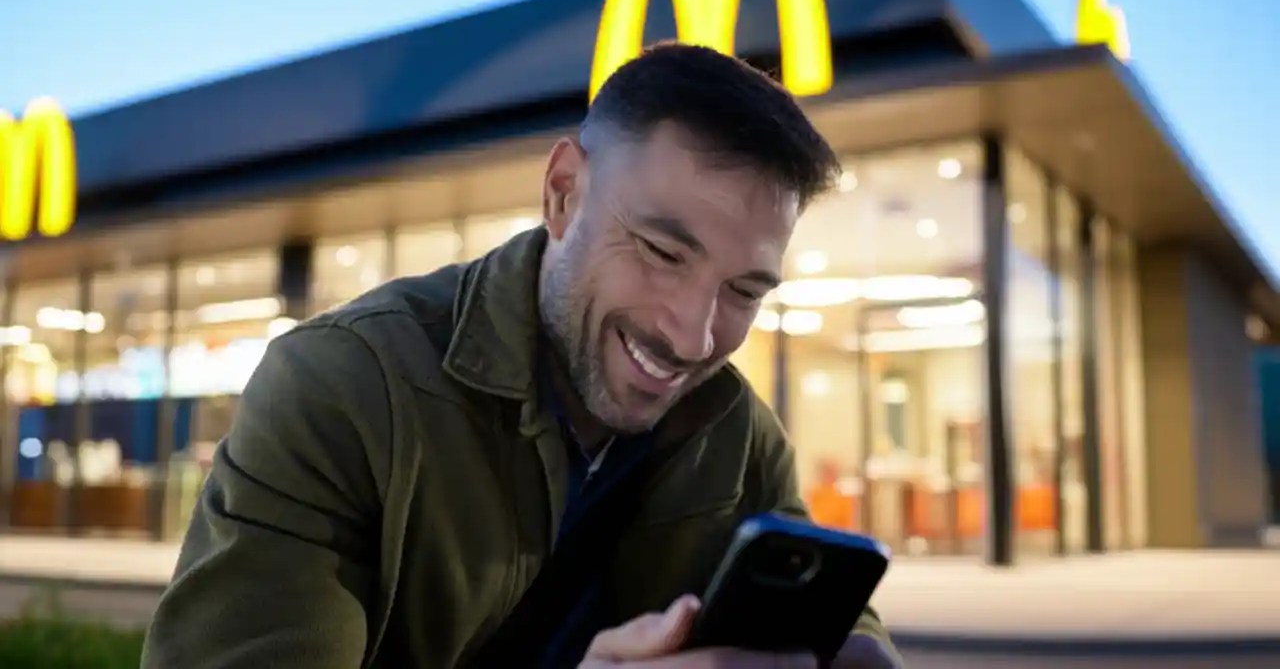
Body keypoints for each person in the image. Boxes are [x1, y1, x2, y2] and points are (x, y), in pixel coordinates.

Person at [142, 41, 903, 668]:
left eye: (743, 290)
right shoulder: (341, 387)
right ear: (564, 193)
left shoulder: (740, 436)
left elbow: (852, 633)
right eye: (663, 252)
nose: (693, 337)